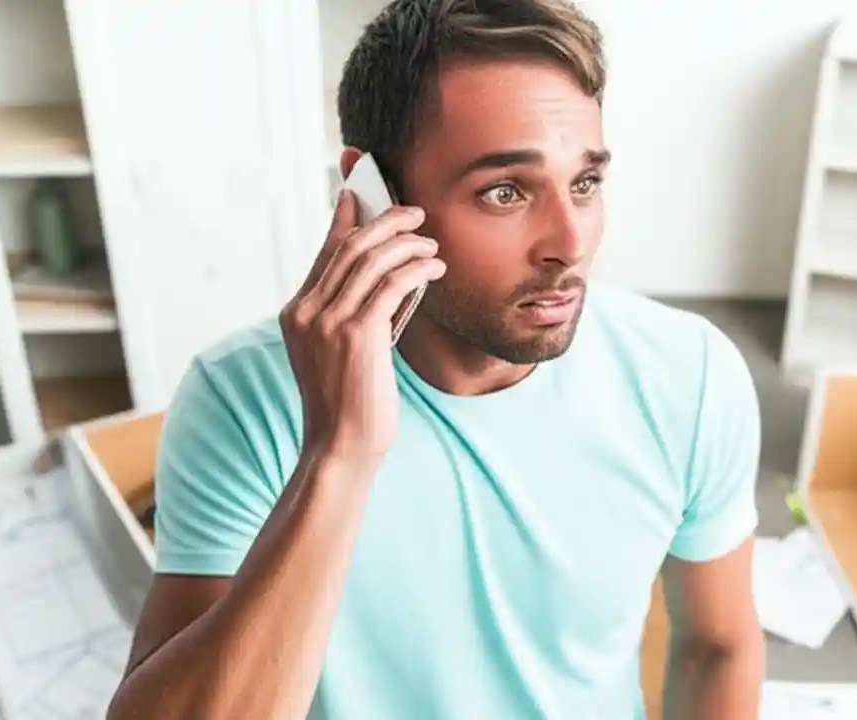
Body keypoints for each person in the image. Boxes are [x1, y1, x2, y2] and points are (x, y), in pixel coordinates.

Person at [106, 1, 763, 718]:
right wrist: (338, 453)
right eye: (505, 191)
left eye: (585, 183)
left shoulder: (689, 375)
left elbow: (717, 647)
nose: (569, 245)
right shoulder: (242, 399)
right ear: (371, 192)